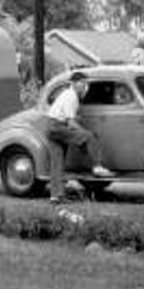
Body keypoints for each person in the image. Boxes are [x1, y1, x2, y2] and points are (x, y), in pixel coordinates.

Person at [45, 71, 113, 202]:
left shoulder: (69, 95)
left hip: (51, 127)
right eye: (82, 83)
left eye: (85, 83)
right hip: (58, 126)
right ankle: (97, 167)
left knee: (57, 163)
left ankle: (55, 196)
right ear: (73, 84)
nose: (84, 86)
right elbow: (71, 123)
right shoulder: (71, 96)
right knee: (89, 137)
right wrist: (84, 133)